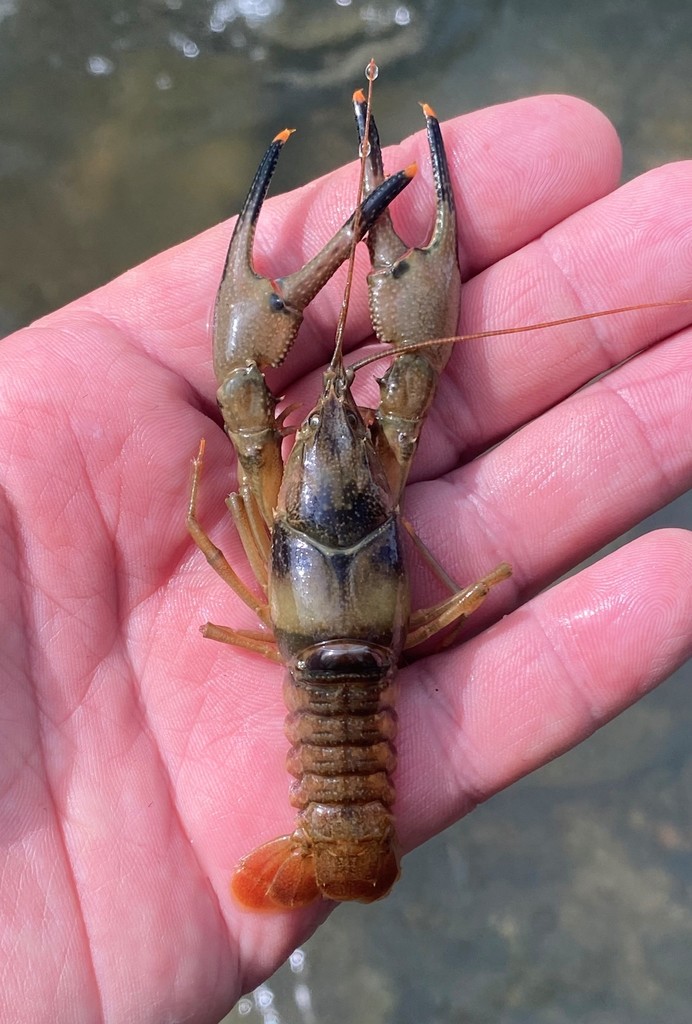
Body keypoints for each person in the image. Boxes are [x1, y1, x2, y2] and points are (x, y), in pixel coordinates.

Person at [1, 94, 691, 1023]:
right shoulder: (384, 461)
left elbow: (238, 422)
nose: (354, 410)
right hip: (343, 713)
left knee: (249, 414)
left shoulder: (265, 499)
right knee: (395, 390)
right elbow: (405, 400)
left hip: (338, 710)